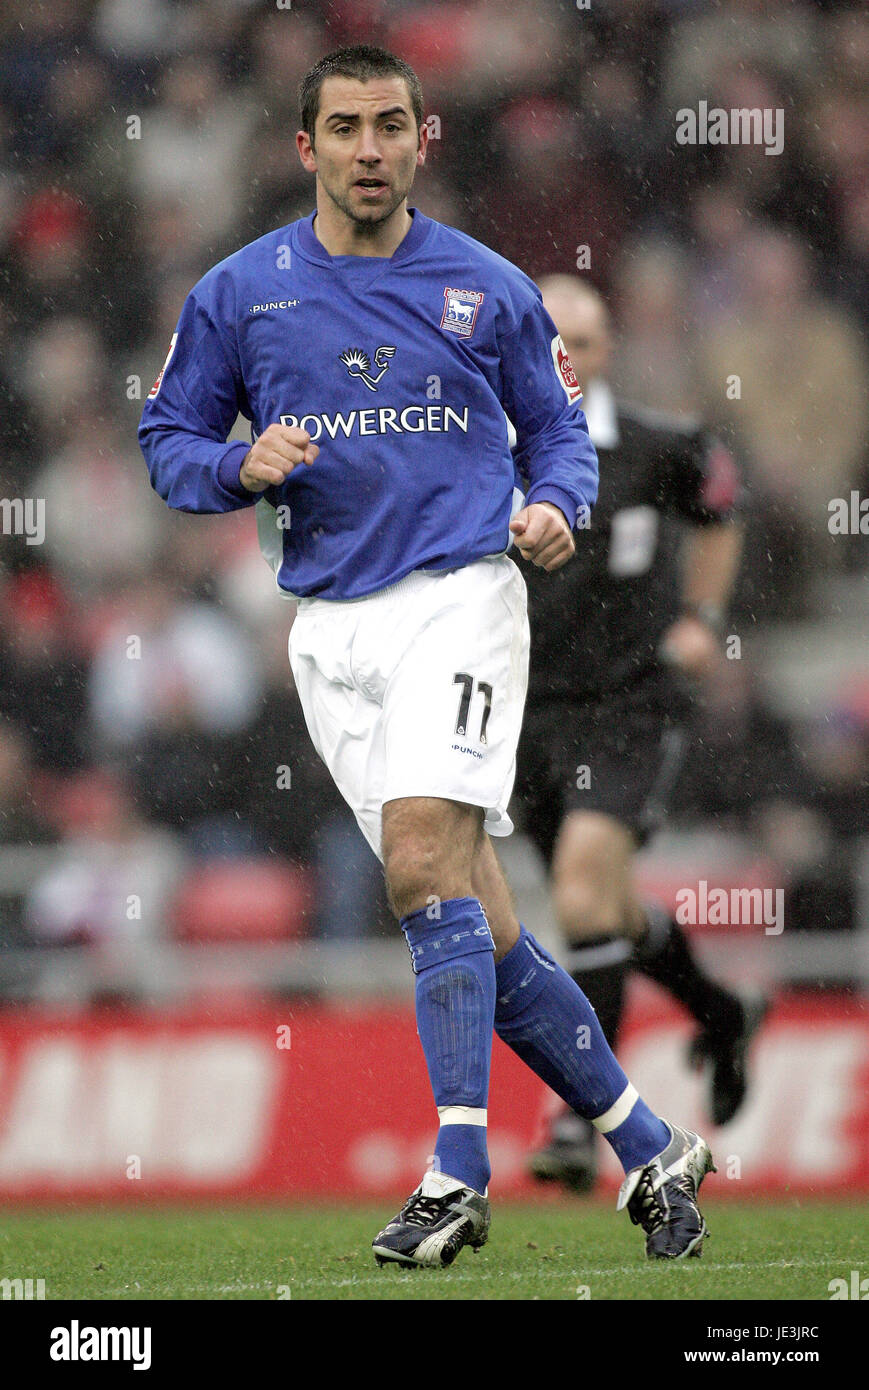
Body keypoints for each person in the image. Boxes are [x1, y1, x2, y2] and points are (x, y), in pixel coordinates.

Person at [139, 45, 714, 1267]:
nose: (365, 149)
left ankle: (455, 1168)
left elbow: (558, 428)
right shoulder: (241, 294)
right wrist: (234, 466)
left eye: (387, 125)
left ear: (421, 138)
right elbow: (169, 436)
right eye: (342, 127)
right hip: (328, 633)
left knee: (416, 868)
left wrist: (555, 502)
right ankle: (650, 1142)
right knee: (481, 931)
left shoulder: (488, 287)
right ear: (305, 148)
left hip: (458, 597)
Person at [513, 276, 766, 1192]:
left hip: (625, 702)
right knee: (606, 915)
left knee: (580, 899)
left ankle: (583, 1123)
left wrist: (700, 613)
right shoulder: (486, 444)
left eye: (585, 340)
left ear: (609, 348)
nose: (569, 358)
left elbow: (720, 509)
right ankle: (723, 1011)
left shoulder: (658, 447)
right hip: (520, 716)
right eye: (554, 340)